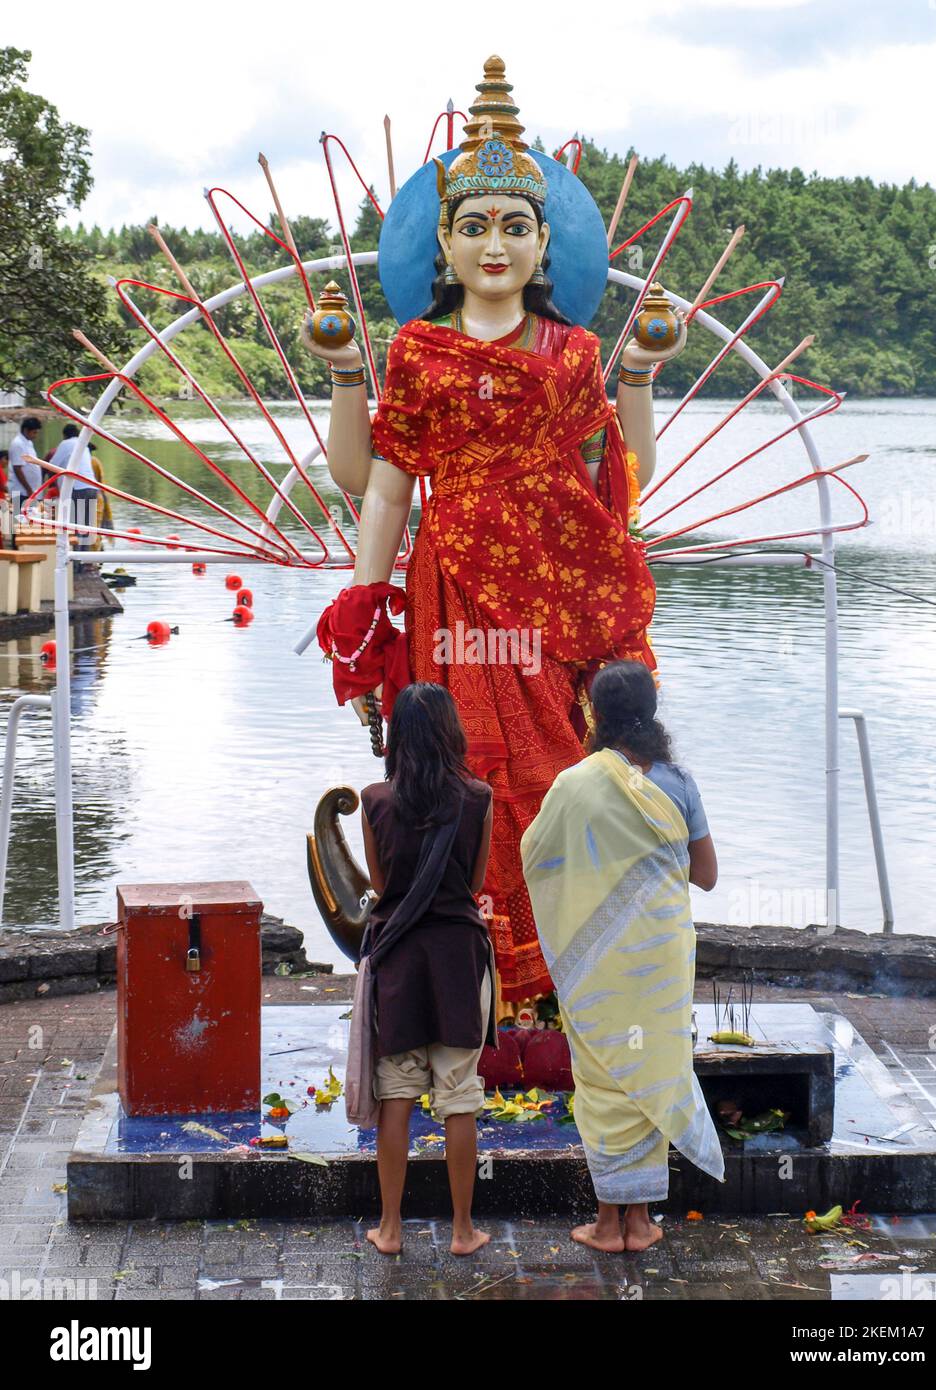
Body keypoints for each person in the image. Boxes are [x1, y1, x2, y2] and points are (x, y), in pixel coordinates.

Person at [303, 56, 687, 1008]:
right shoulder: (419, 351)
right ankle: (468, 971)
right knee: (458, 764)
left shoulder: (573, 353)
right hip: (453, 587)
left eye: (515, 225)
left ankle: (559, 974)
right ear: (442, 240)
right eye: (473, 225)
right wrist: (365, 599)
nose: (494, 245)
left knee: (561, 760)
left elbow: (618, 478)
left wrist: (638, 373)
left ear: (543, 242)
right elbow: (382, 488)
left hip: (556, 584)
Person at [521, 659, 725, 1252]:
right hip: (660, 957)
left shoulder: (575, 784)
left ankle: (608, 1224)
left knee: (605, 1074)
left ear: (595, 714)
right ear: (653, 712)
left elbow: (535, 857)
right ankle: (639, 1223)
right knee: (653, 1069)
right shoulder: (679, 784)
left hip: (598, 961)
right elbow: (706, 875)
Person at [359, 682, 496, 1257]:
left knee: (397, 1095)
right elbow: (475, 882)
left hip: (399, 961)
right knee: (459, 1095)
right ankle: (463, 1231)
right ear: (450, 733)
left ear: (396, 738)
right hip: (458, 958)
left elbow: (382, 885)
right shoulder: (478, 798)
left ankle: (390, 1230)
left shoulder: (374, 800)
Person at [7, 417, 44, 511]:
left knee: (31, 516)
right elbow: (17, 469)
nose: (35, 436)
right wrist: (28, 489)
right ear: (26, 430)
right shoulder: (18, 444)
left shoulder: (28, 442)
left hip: (30, 491)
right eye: (34, 432)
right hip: (21, 491)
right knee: (19, 517)